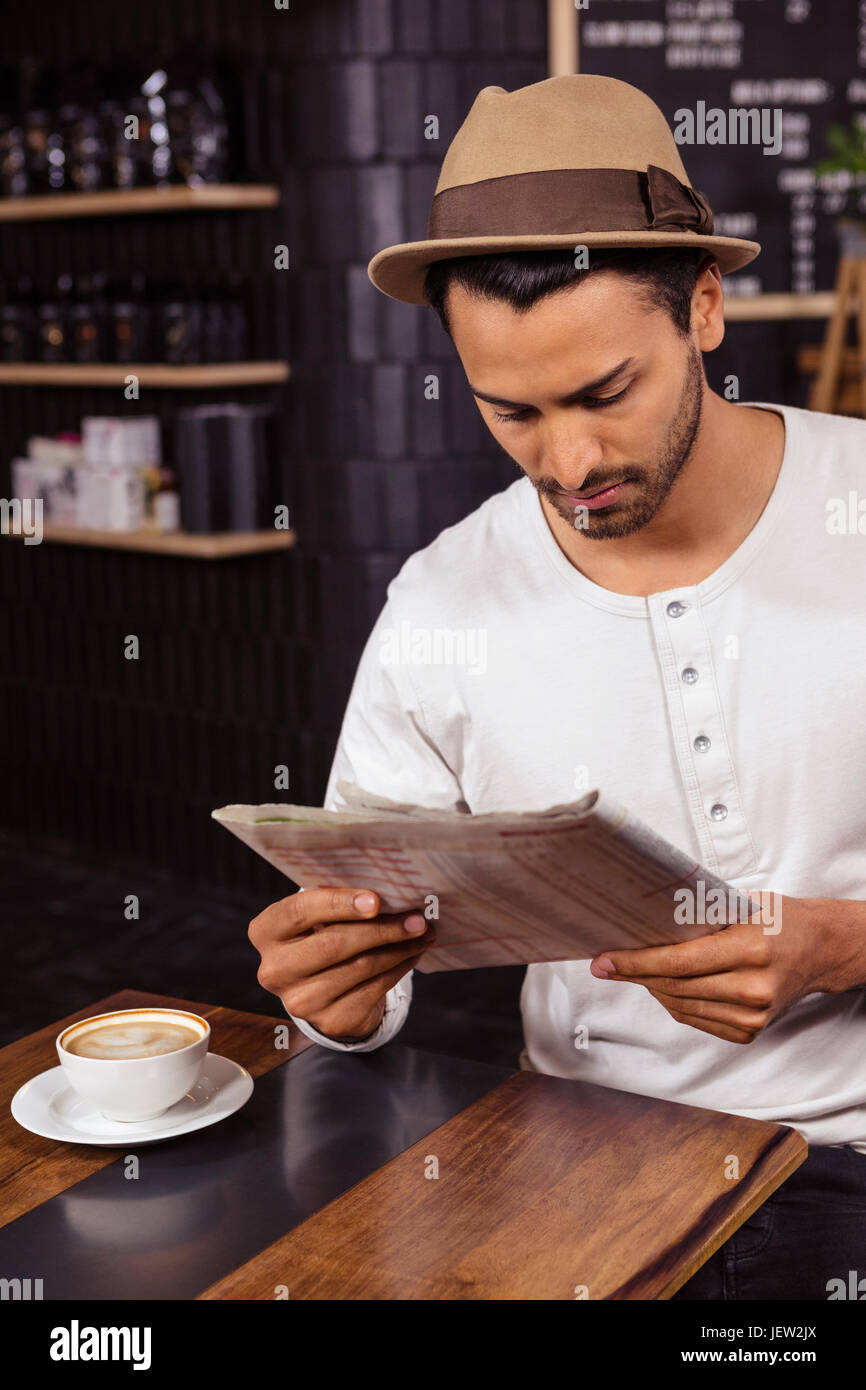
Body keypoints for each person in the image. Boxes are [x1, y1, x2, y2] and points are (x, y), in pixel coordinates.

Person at [248, 75, 866, 1300]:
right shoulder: (442, 605)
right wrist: (336, 998)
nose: (568, 463)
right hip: (582, 1159)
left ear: (701, 306)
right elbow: (359, 971)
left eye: (602, 394)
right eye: (510, 411)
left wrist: (842, 944)